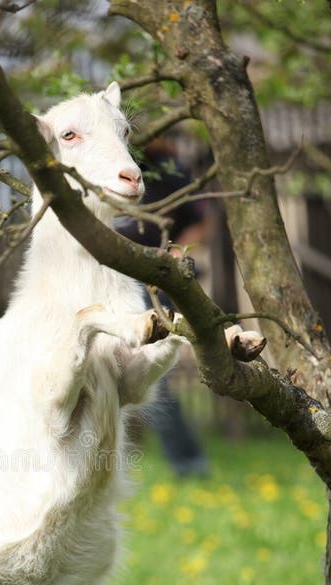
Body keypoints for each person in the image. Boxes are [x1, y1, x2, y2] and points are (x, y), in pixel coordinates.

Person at [115, 136, 211, 477]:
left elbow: (201, 222)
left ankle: (188, 463)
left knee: (153, 372)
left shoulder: (168, 170)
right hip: (114, 276)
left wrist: (176, 254)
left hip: (153, 278)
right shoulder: (110, 164)